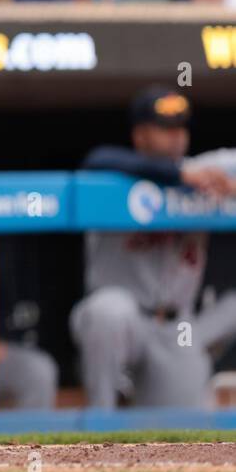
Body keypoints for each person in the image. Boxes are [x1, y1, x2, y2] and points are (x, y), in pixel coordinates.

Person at [73, 86, 236, 408]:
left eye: (180, 129)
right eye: (164, 129)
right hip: (122, 319)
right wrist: (177, 174)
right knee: (108, 311)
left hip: (177, 327)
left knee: (190, 433)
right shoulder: (118, 174)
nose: (176, 137)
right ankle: (101, 419)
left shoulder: (204, 171)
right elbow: (96, 158)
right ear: (140, 135)